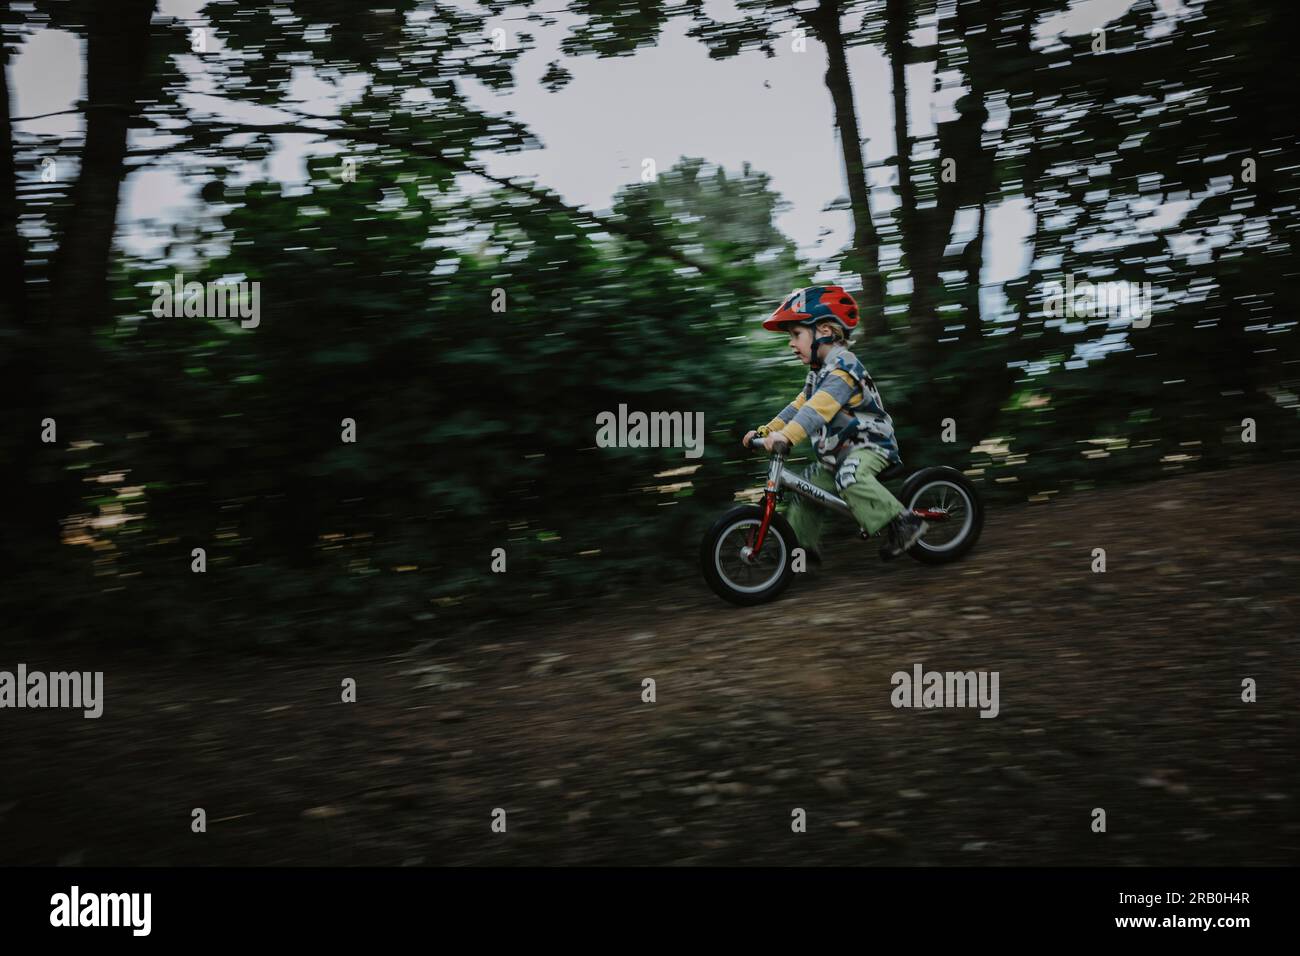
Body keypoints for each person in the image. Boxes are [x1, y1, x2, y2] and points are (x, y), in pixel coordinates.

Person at [742, 285, 927, 559]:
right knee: (806, 487)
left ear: (825, 332)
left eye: (796, 334)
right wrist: (768, 430)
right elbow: (798, 407)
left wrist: (788, 436)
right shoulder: (817, 373)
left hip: (869, 447)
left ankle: (904, 522)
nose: (791, 343)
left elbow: (817, 409)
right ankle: (799, 548)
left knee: (849, 477)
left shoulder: (843, 368)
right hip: (837, 454)